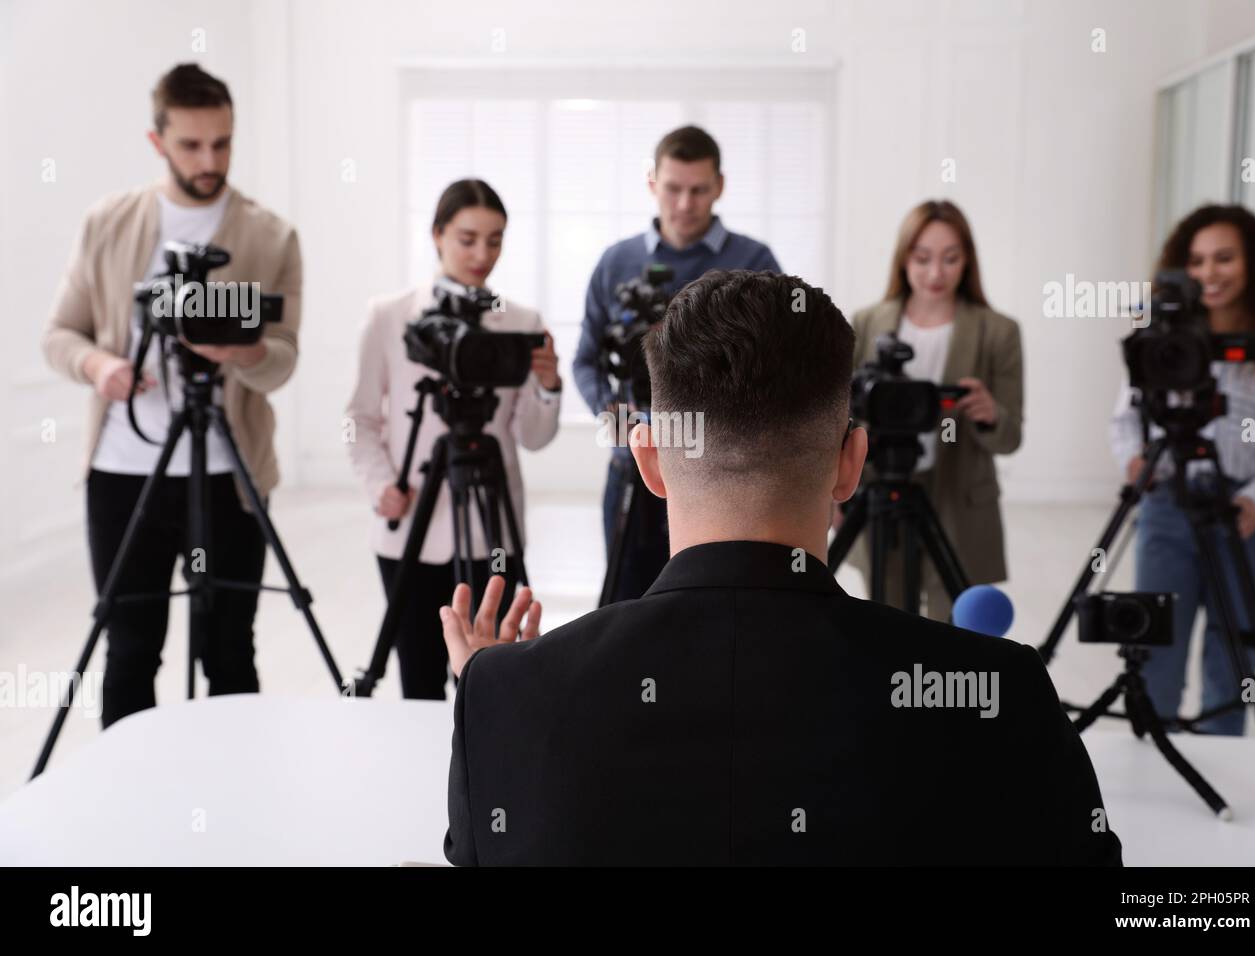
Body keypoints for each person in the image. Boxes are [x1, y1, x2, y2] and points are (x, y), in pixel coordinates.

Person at [442, 269, 1121, 866]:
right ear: (851, 461)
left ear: (649, 461)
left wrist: (504, 687)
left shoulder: (501, 696)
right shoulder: (999, 693)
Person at [42, 64, 300, 727]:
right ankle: (128, 799)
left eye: (222, 143)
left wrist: (242, 351)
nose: (209, 160)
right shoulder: (109, 223)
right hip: (125, 473)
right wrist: (102, 365)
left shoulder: (271, 236)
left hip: (228, 477)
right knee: (130, 648)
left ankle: (232, 791)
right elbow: (58, 335)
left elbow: (282, 363)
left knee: (229, 650)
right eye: (191, 145)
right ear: (157, 141)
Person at [345, 179, 562, 699]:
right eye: (467, 239)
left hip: (494, 533)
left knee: (497, 678)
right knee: (418, 678)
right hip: (410, 529)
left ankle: (487, 775)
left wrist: (548, 386)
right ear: (437, 235)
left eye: (495, 240)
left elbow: (532, 438)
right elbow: (358, 419)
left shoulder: (521, 322)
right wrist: (380, 487)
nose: (481, 254)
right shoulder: (390, 316)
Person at [1111, 204, 1255, 736]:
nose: (1209, 273)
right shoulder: (1154, 335)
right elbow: (1125, 419)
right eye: (1196, 261)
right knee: (1155, 656)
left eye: (1225, 258)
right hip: (1166, 508)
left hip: (1246, 517)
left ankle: (1223, 781)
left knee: (1233, 666)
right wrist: (1133, 459)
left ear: (1252, 264)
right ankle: (1153, 766)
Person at [572, 125, 780, 603]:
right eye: (673, 188)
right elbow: (585, 359)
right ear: (652, 184)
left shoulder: (753, 259)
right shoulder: (616, 262)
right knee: (626, 606)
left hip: (728, 472)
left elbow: (775, 363)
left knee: (715, 603)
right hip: (634, 461)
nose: (685, 203)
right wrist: (612, 413)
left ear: (719, 187)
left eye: (698, 190)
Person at [845, 200, 1023, 622]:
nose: (936, 273)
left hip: (958, 493)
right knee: (883, 623)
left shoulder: (998, 332)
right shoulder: (867, 322)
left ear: (968, 261)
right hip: (879, 484)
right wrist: (835, 491)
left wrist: (989, 413)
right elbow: (842, 416)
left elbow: (1011, 436)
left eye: (950, 258)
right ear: (904, 258)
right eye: (922, 258)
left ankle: (945, 691)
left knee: (956, 629)